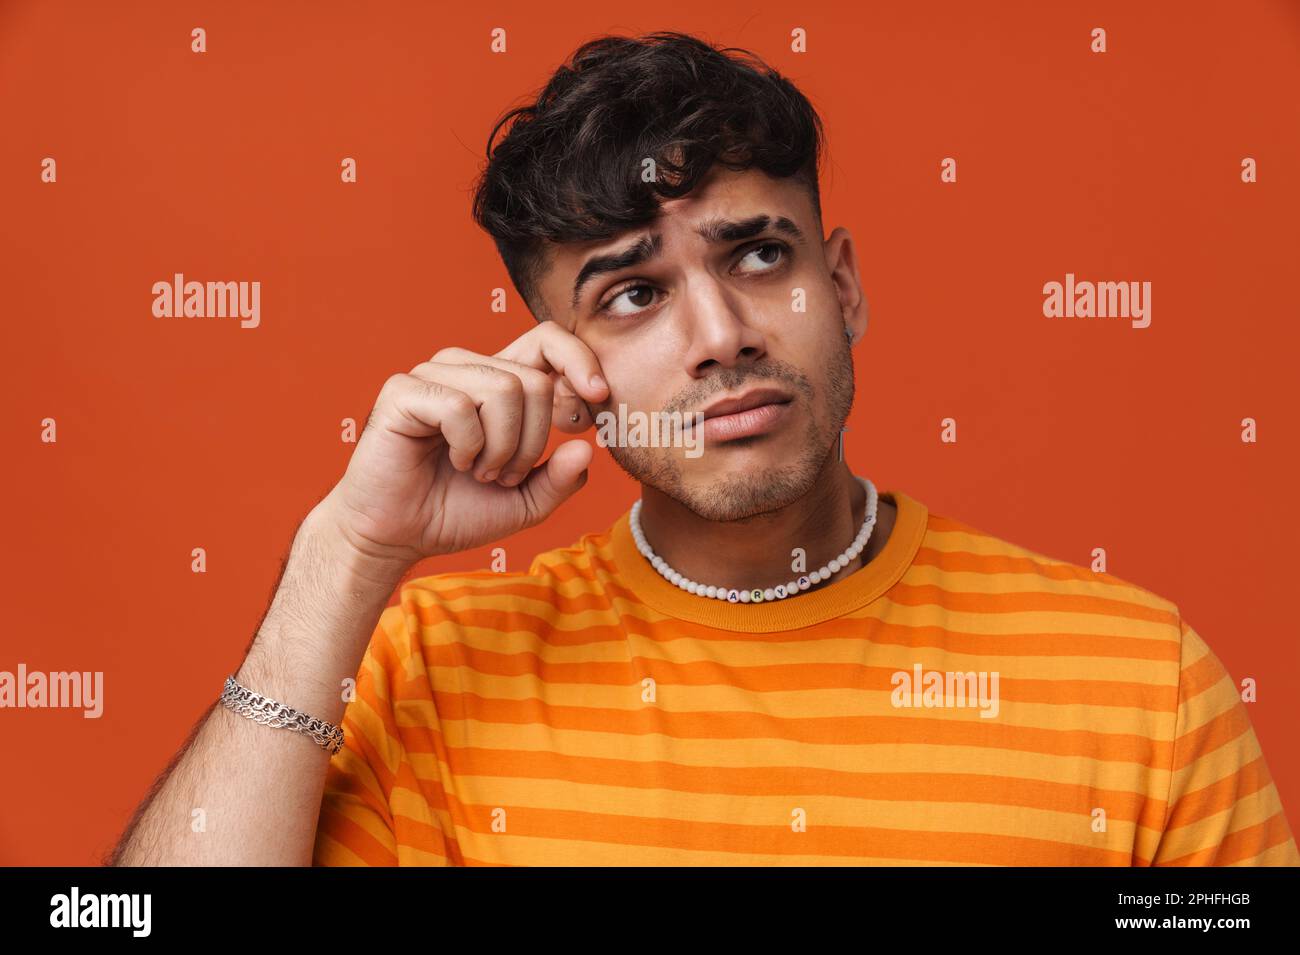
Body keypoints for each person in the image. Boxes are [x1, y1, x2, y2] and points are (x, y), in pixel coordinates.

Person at [109, 31, 1299, 867]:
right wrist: (347, 553)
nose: (720, 339)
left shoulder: (1137, 676)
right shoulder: (435, 669)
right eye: (631, 296)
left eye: (758, 257)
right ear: (558, 362)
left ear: (839, 285)